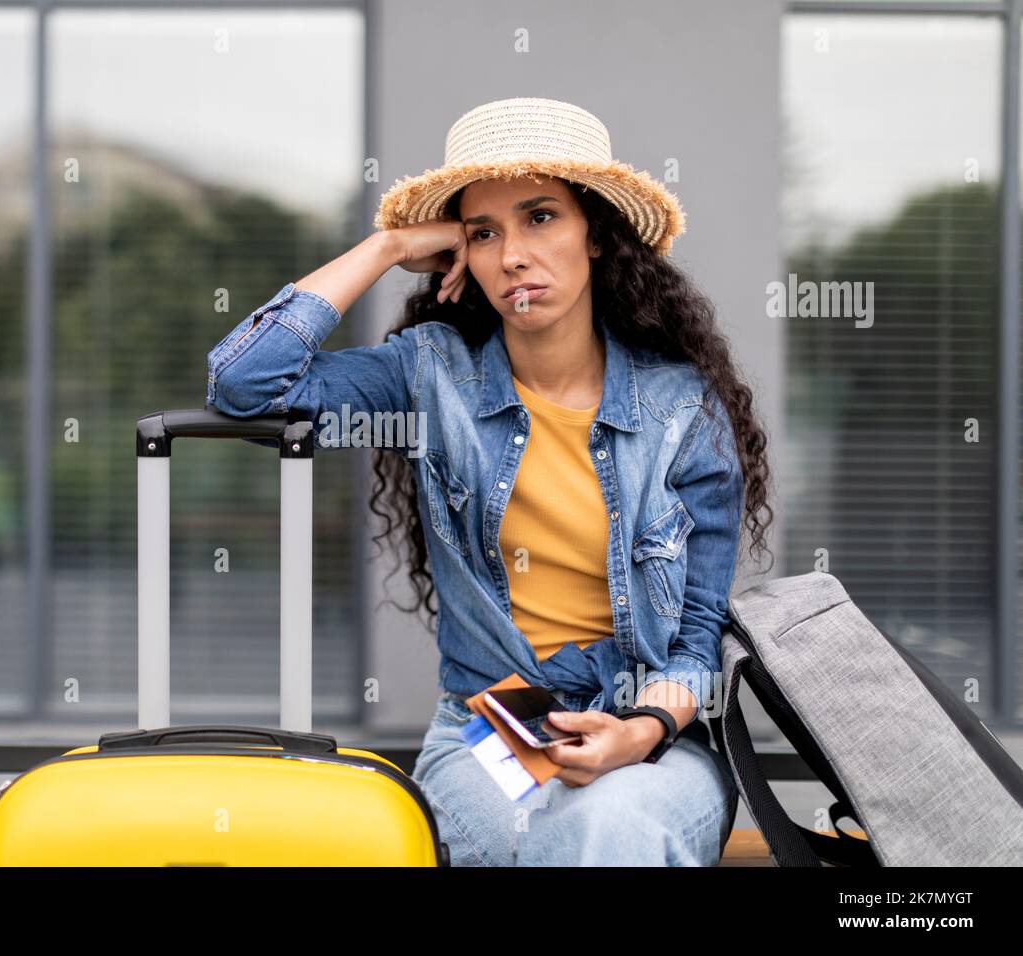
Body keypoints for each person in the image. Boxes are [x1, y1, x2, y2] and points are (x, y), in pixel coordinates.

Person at [205, 97, 774, 865]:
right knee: (545, 840)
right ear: (459, 253)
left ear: (597, 235)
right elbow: (245, 384)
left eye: (541, 218)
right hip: (492, 730)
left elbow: (696, 636)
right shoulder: (431, 372)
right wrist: (386, 248)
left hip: (650, 733)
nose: (512, 255)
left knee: (610, 828)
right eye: (483, 232)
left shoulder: (680, 408)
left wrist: (637, 732)